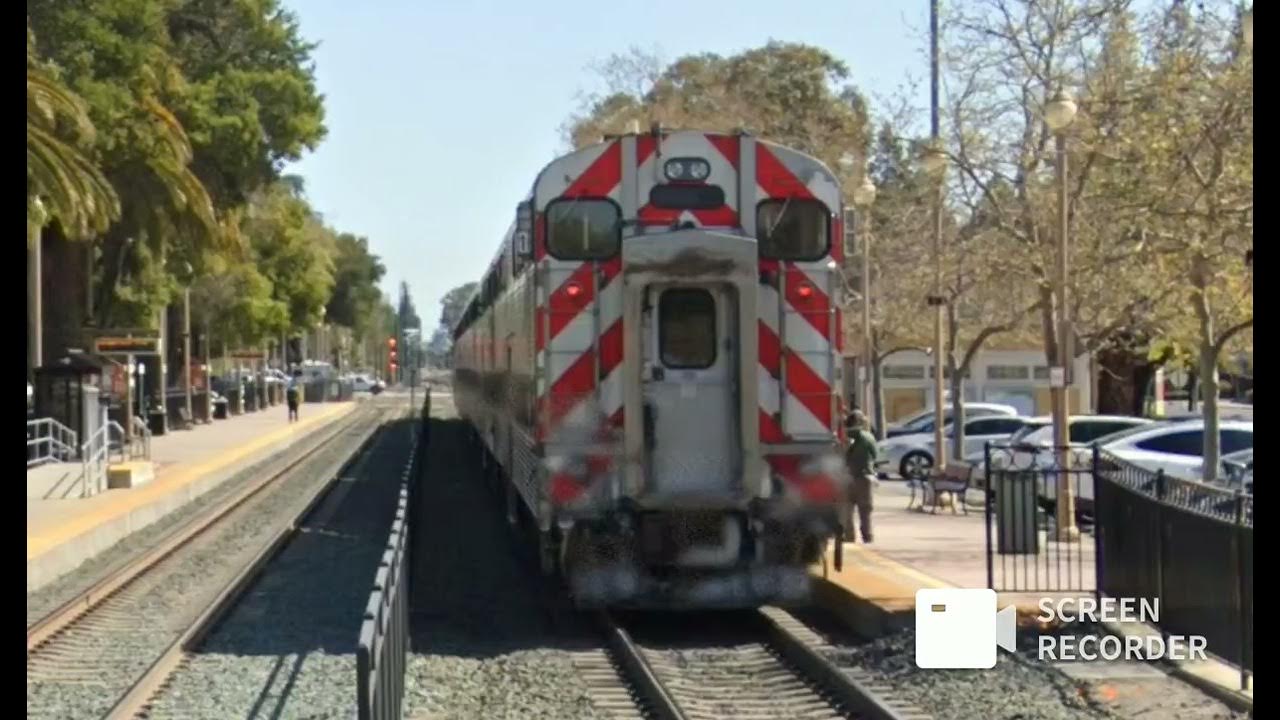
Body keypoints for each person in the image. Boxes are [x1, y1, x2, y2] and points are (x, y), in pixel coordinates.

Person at [843, 411, 879, 543]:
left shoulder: (845, 436)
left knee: (847, 509)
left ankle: (849, 536)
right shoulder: (868, 437)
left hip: (848, 477)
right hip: (865, 477)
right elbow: (875, 455)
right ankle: (867, 536)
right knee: (865, 510)